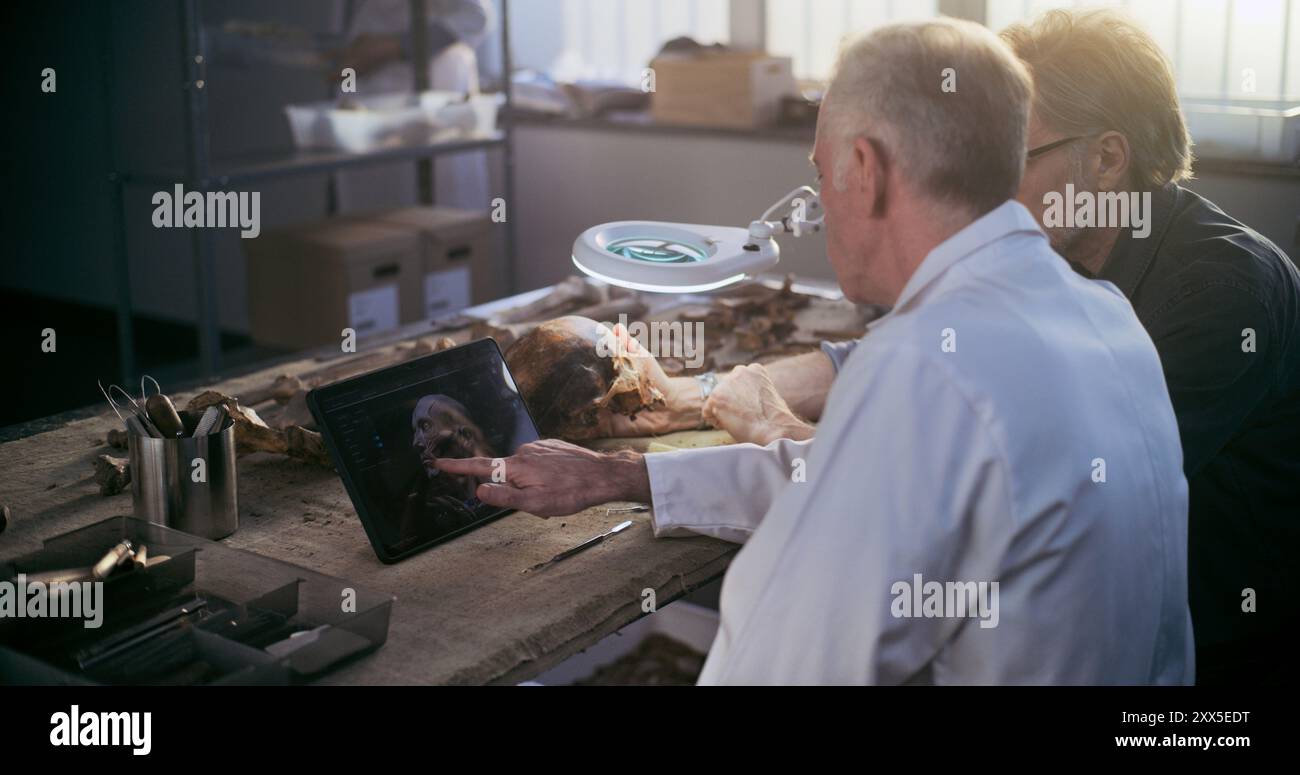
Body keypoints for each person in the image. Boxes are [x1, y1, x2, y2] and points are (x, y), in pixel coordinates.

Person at [441, 19, 1195, 685]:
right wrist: (622, 476)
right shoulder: (1103, 314)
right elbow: (860, 485)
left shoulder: (928, 367)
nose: (820, 203)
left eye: (818, 174)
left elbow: (780, 660)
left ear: (863, 171)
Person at [642, 8, 1300, 685]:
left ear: (1106, 160)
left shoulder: (1222, 293)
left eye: (1014, 156)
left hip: (1235, 655)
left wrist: (770, 424)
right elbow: (914, 368)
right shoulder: (1072, 264)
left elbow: (956, 451)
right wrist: (700, 398)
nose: (986, 186)